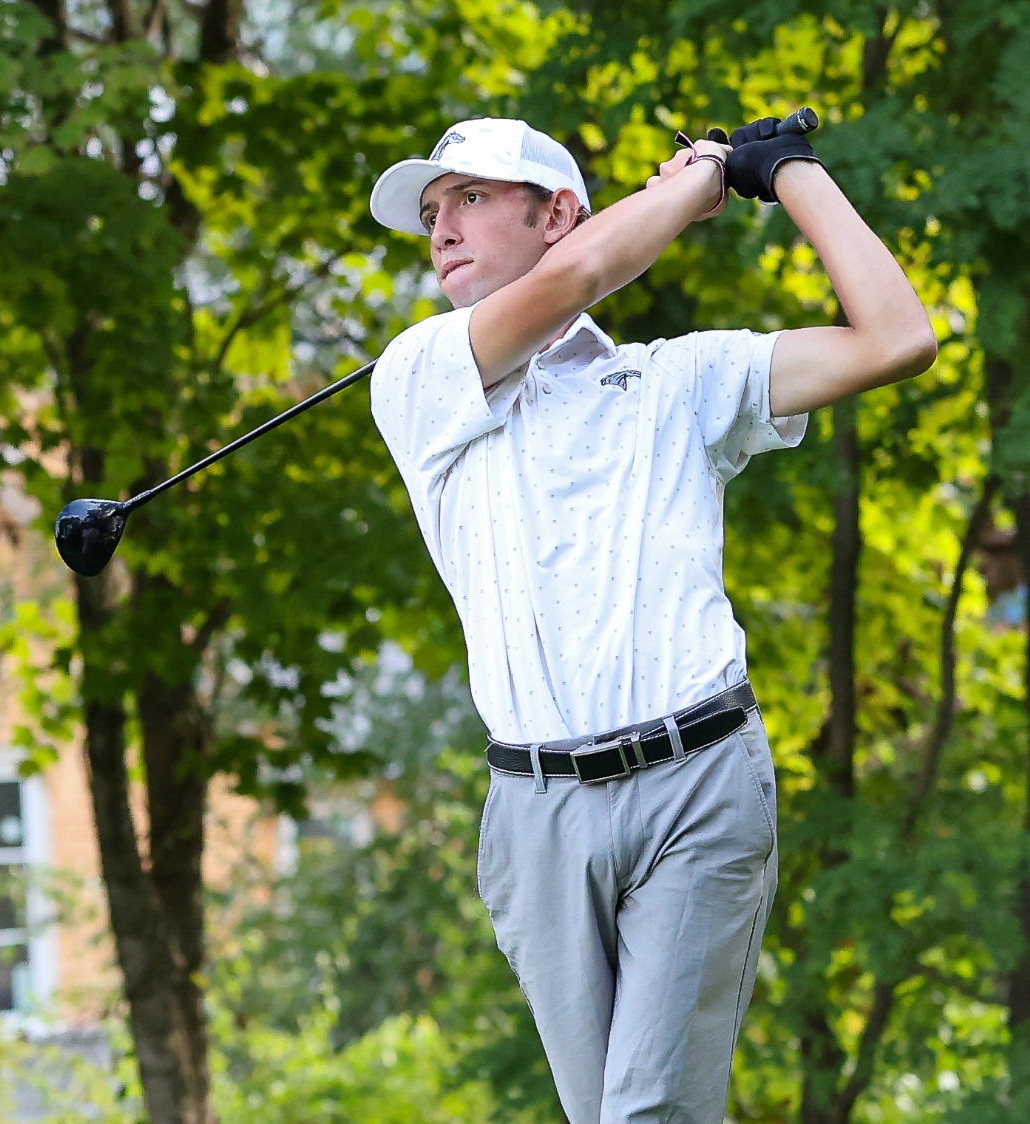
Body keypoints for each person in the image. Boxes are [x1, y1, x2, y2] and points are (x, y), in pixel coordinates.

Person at [366, 114, 937, 1122]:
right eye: (429, 211)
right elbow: (571, 284)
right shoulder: (419, 379)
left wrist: (784, 172)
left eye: (469, 197)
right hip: (535, 812)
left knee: (644, 1114)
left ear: (558, 212)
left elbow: (897, 337)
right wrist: (699, 178)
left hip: (698, 782)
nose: (440, 227)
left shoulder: (676, 381)